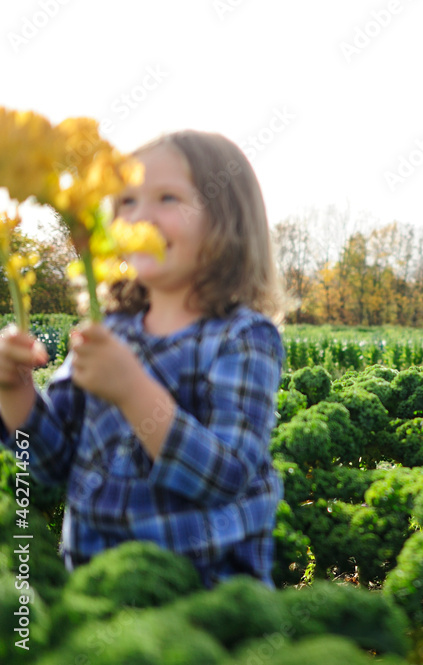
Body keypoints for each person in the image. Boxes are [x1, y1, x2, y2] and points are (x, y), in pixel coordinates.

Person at [0, 130, 285, 587]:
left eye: (168, 198)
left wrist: (132, 390)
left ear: (228, 222)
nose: (141, 218)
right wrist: (14, 388)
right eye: (127, 202)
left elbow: (225, 475)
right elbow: (51, 462)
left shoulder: (243, 337)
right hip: (97, 586)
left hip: (207, 599)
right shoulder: (106, 330)